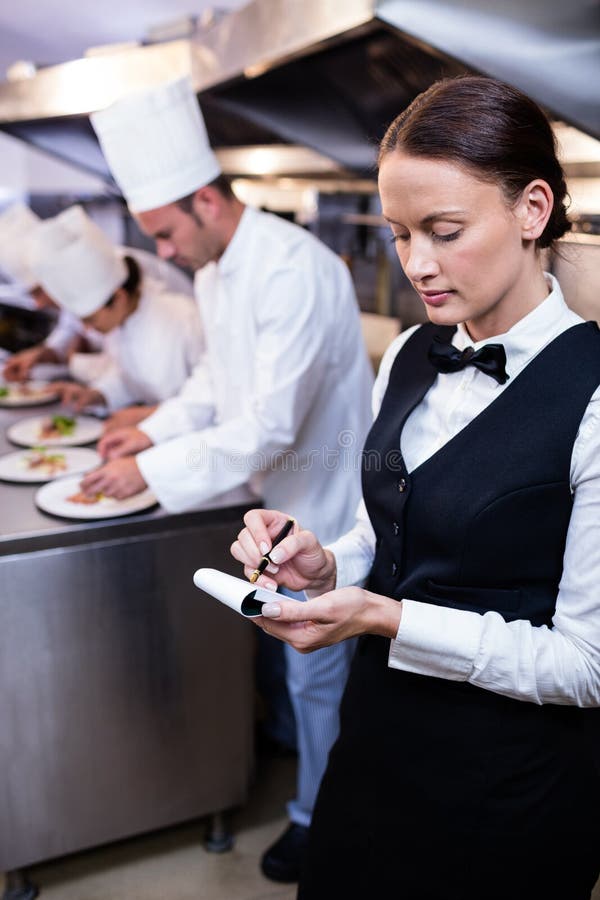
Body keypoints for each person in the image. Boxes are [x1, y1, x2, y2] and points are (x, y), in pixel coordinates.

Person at [231, 75, 600, 900]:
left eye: (444, 230)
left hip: (510, 790)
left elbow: (588, 664)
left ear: (532, 210)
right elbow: (384, 532)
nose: (417, 266)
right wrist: (326, 566)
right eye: (399, 235)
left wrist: (386, 618)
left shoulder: (595, 396)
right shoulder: (407, 353)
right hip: (375, 748)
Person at [87, 76, 374, 881]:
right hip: (269, 500)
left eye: (165, 234)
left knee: (317, 673)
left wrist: (145, 466)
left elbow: (269, 425)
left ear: (206, 201)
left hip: (323, 502)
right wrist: (149, 427)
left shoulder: (292, 271)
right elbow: (216, 383)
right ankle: (297, 757)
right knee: (287, 665)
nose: (164, 256)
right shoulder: (216, 270)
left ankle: (319, 818)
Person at [27, 204, 203, 418]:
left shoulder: (185, 319)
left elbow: (210, 400)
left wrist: (146, 416)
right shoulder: (122, 325)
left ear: (119, 298)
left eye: (90, 319)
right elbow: (130, 379)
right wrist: (97, 395)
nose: (86, 328)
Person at [0, 202, 105, 380]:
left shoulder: (106, 278)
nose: (38, 304)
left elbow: (127, 369)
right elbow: (69, 332)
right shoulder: (72, 292)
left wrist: (77, 361)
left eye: (39, 291)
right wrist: (40, 355)